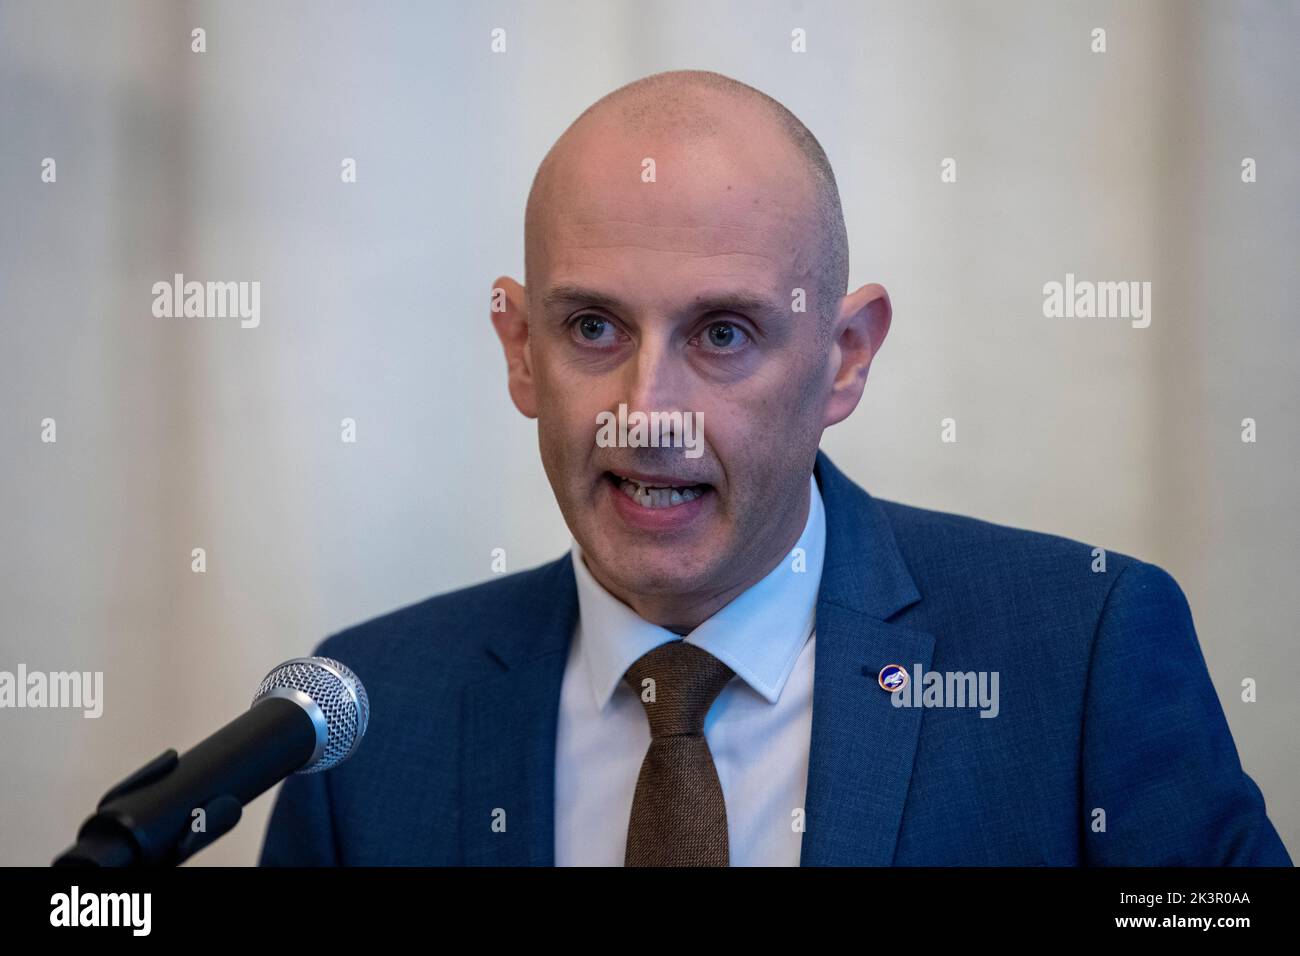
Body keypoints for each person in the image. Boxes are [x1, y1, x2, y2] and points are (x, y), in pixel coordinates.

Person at [259, 70, 1291, 866]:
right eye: (591, 326)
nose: (647, 413)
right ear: (520, 350)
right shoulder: (368, 720)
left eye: (721, 333)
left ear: (845, 358)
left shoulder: (1080, 657)